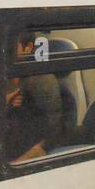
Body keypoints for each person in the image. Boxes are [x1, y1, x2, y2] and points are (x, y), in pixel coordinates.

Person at [6, 31, 68, 162]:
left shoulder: (42, 80)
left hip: (30, 149)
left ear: (27, 48)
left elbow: (53, 131)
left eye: (11, 47)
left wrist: (26, 159)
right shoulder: (7, 76)